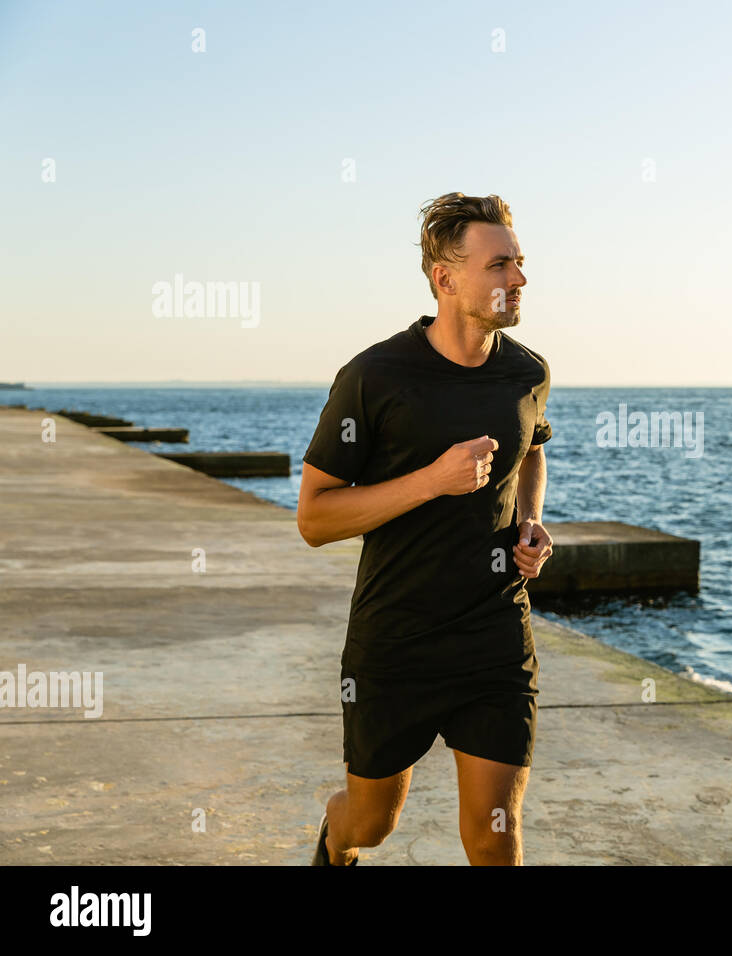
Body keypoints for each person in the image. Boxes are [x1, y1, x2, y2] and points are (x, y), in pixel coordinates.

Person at [297, 192, 554, 866]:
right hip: (397, 640)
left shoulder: (527, 373)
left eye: (520, 263)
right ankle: (335, 832)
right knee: (372, 823)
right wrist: (430, 481)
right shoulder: (374, 377)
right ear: (445, 278)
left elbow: (531, 450)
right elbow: (315, 517)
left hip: (494, 633)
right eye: (500, 265)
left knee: (495, 838)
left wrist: (530, 523)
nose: (519, 279)